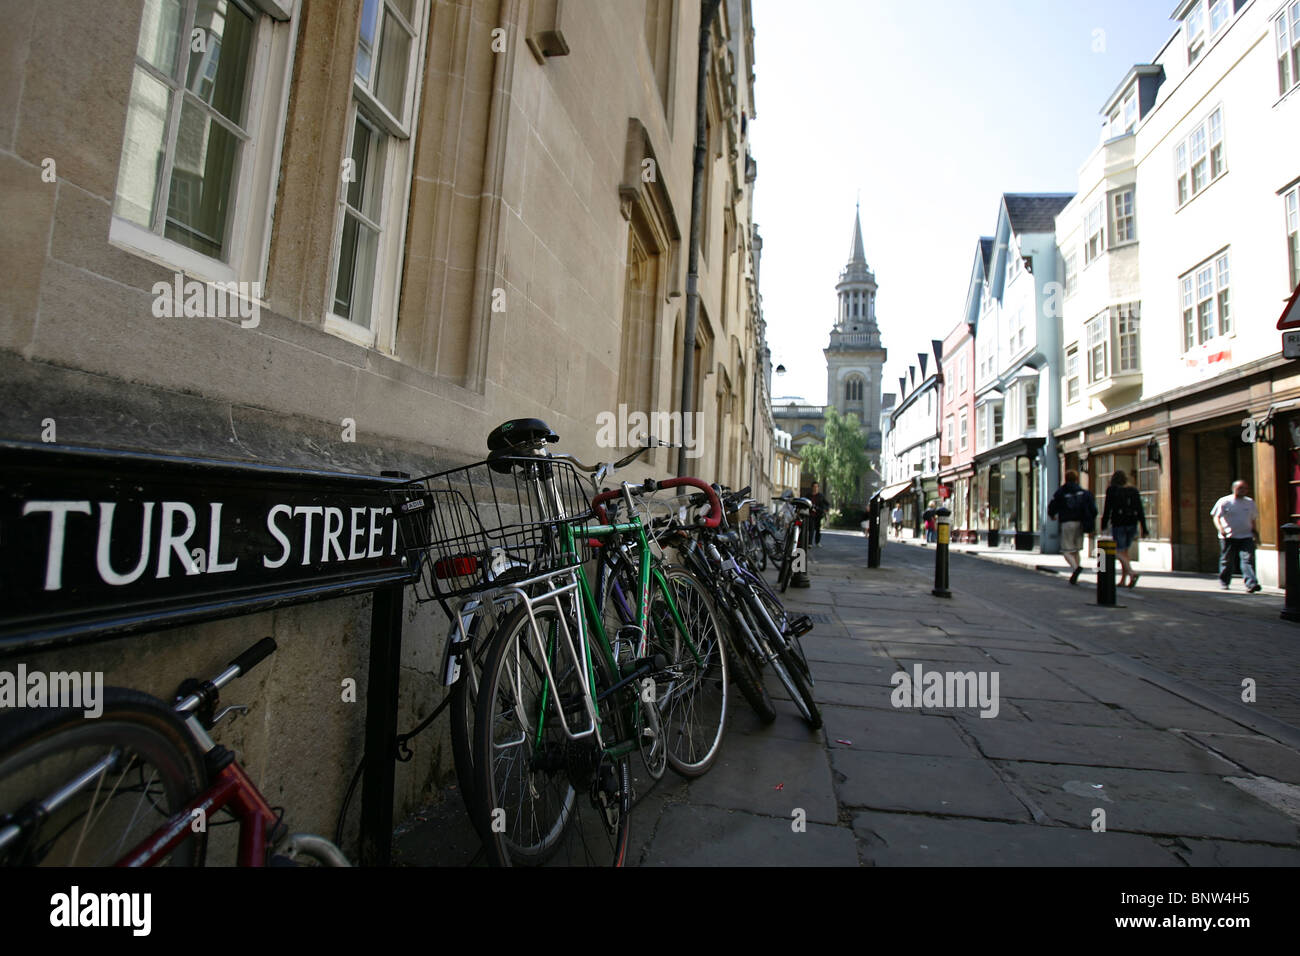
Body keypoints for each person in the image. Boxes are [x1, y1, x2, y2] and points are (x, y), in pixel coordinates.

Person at [1047, 470, 1097, 585]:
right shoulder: (1084, 493)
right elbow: (1093, 509)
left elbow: (1053, 505)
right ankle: (1076, 570)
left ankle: (1076, 568)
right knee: (1075, 549)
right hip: (1080, 523)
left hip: (1067, 522)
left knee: (1066, 550)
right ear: (1076, 479)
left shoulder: (1061, 492)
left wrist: (1052, 515)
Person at [1100, 470, 1148, 589]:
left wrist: (1103, 524)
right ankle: (1123, 580)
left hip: (1119, 524)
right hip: (1132, 523)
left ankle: (1131, 573)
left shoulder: (1112, 490)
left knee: (1118, 551)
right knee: (1124, 552)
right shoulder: (1133, 490)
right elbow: (1140, 510)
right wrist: (1144, 527)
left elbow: (1107, 509)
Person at [1211, 479, 1261, 592]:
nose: (1243, 491)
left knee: (1247, 559)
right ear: (1234, 489)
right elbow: (1216, 517)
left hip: (1246, 536)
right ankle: (1224, 581)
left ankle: (1251, 584)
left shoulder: (1249, 502)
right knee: (1227, 560)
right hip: (1228, 536)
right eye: (1240, 488)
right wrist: (1221, 529)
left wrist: (1255, 532)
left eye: (1245, 488)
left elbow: (1252, 519)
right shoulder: (1224, 501)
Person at [809, 482, 830, 547]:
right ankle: (810, 543)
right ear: (812, 487)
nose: (815, 488)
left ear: (818, 488)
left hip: (818, 515)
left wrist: (825, 509)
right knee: (811, 529)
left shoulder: (821, 496)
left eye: (816, 487)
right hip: (810, 515)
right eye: (814, 487)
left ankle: (817, 542)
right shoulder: (808, 495)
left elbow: (827, 504)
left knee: (818, 529)